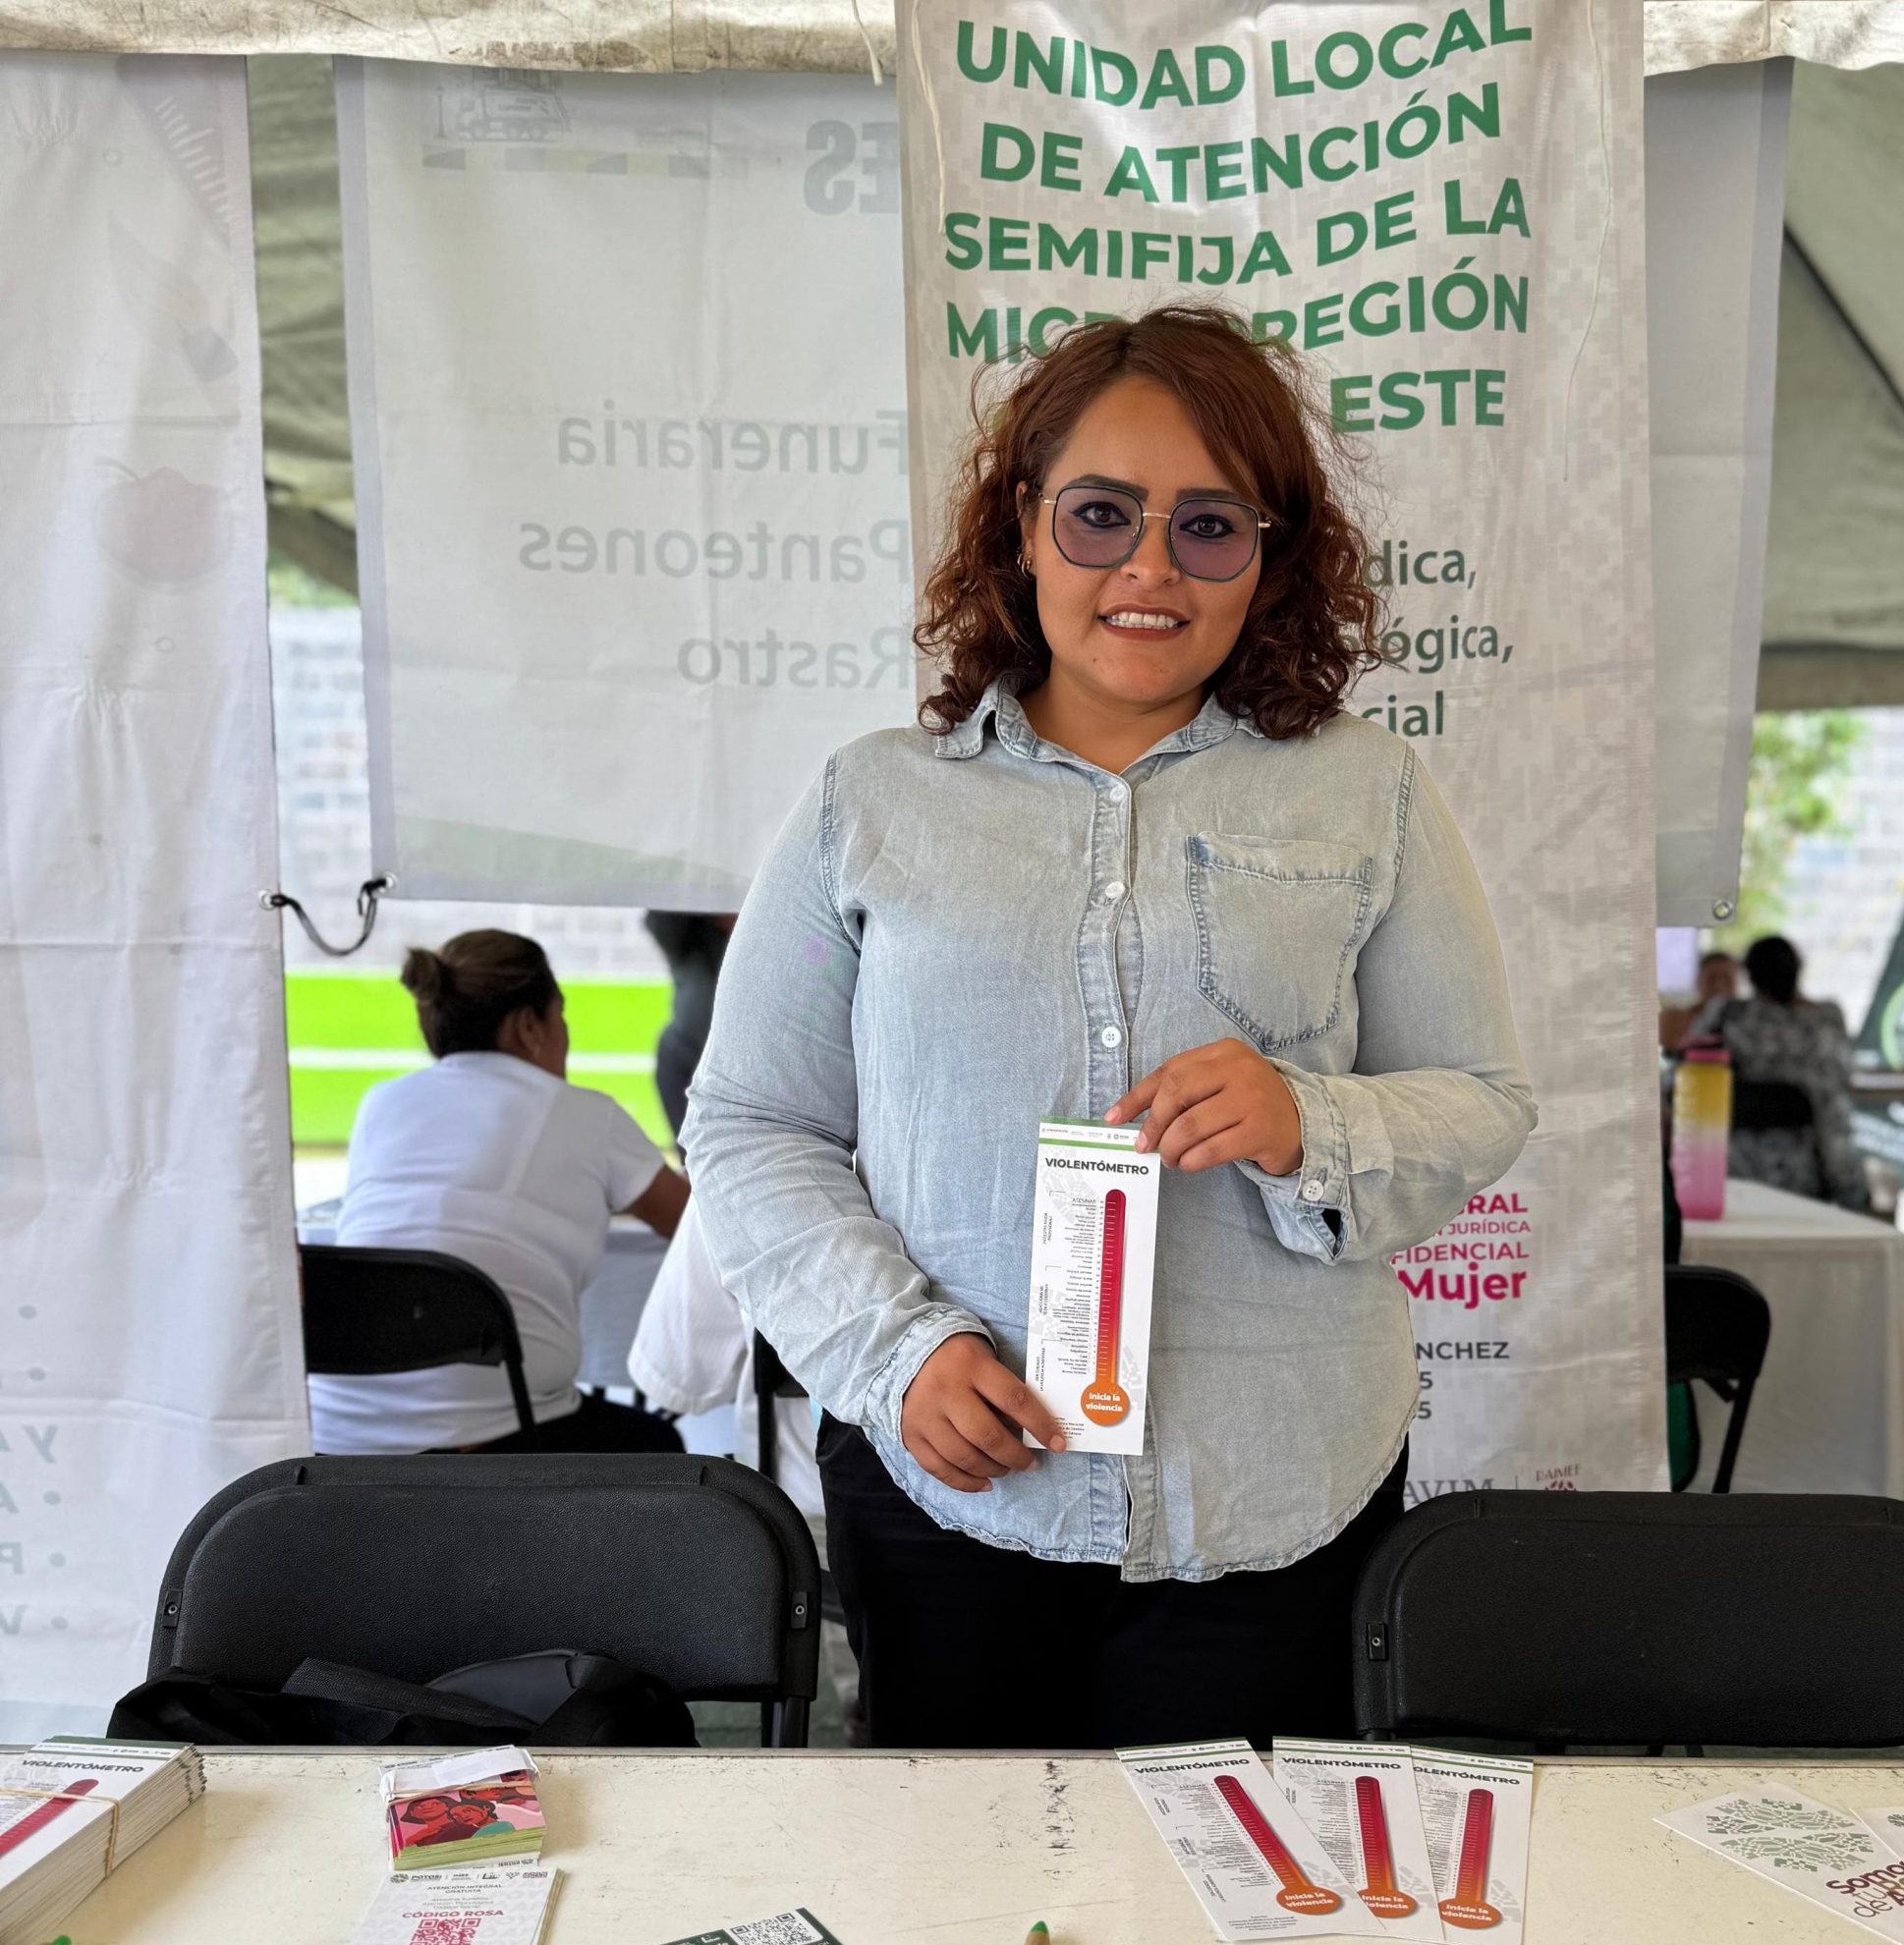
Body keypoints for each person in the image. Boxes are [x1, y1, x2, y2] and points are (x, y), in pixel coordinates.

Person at [686, 305, 1533, 1749]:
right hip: (954, 1486)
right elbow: (755, 1123)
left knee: (1233, 1922)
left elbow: (1482, 1092)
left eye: (1210, 525)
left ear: (1270, 554)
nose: (1149, 568)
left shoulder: (1366, 793)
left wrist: (1310, 1122)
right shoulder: (871, 802)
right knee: (961, 1910)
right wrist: (895, 1356)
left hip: (1274, 1497)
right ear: (1021, 527)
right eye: (1100, 515)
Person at [308, 931, 689, 1456]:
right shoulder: (585, 1114)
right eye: (562, 1017)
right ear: (530, 1025)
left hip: (338, 1438)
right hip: (500, 1440)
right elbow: (695, 1224)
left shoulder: (382, 1104)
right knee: (659, 1449)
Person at [1699, 934, 1867, 1206]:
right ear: (1799, 969)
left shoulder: (1729, 1016)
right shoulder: (1827, 1020)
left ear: (1749, 976)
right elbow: (1834, 1100)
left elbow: (1687, 1077)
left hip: (1734, 1173)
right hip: (1813, 1172)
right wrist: (1846, 1183)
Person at [643, 913, 737, 1143]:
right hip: (689, 1053)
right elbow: (662, 920)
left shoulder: (766, 924)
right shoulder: (688, 931)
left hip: (745, 1057)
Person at [1655, 946, 1739, 1052]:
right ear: (1698, 982)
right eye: (1711, 979)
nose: (1719, 986)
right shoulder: (1673, 1019)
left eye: (1727, 979)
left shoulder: (1750, 1024)